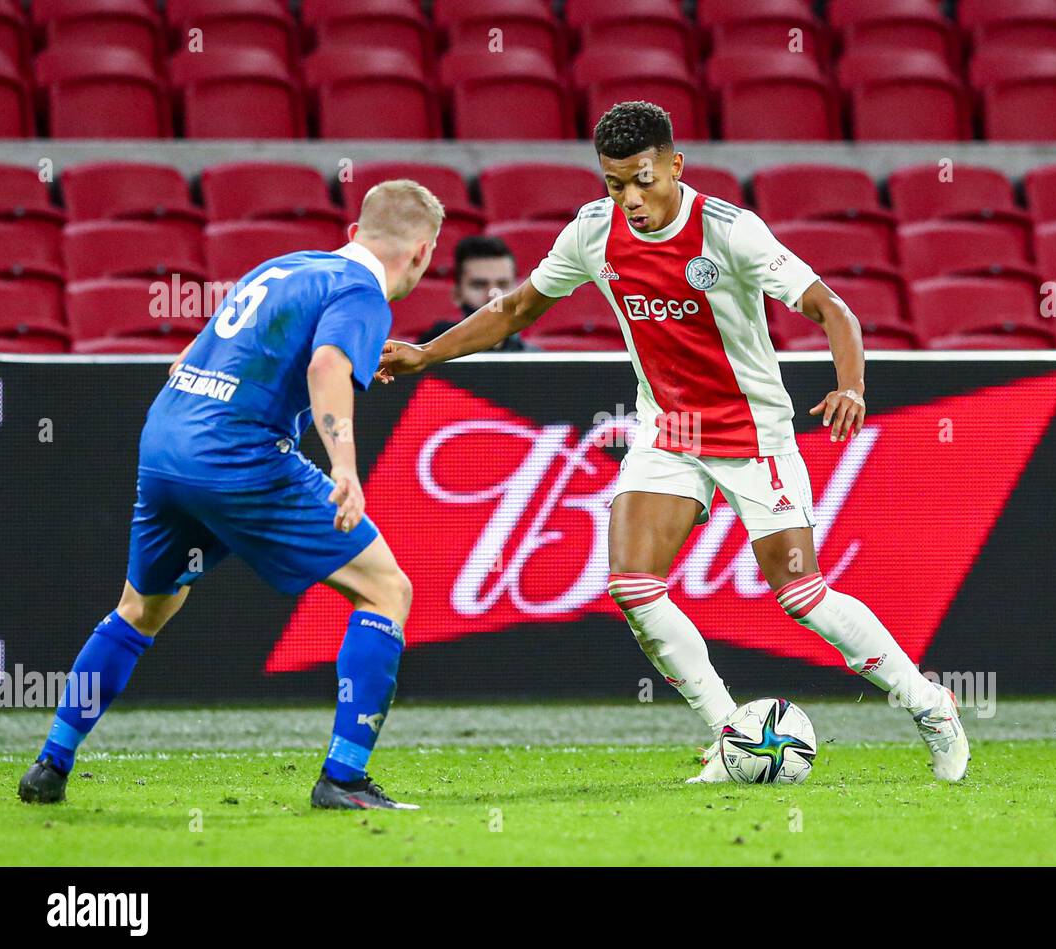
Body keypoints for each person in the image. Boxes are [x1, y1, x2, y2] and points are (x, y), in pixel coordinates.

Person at [378, 102, 970, 783]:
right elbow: (516, 309)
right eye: (612, 183)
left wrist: (852, 387)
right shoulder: (593, 233)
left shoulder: (730, 233)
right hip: (668, 431)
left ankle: (930, 705)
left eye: (642, 180)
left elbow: (831, 308)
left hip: (753, 434)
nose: (629, 199)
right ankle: (730, 734)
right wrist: (427, 354)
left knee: (800, 594)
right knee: (632, 583)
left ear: (675, 167)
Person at [19, 180, 444, 810]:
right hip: (236, 453)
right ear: (422, 254)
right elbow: (326, 366)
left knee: (141, 608)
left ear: (353, 233)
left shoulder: (280, 268)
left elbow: (186, 358)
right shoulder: (361, 292)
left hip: (166, 438)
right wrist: (345, 468)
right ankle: (344, 780)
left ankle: (49, 766)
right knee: (386, 590)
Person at [424, 235, 532, 351]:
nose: (492, 296)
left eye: (502, 284)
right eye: (479, 285)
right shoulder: (433, 349)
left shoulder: (536, 360)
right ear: (457, 294)